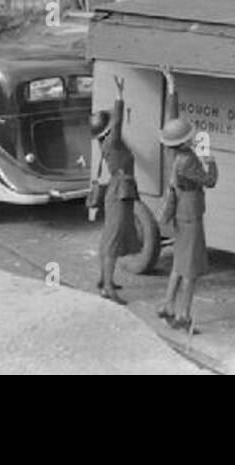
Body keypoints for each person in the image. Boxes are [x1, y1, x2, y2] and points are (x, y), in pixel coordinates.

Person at [155, 66, 218, 331]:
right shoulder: (188, 160)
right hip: (191, 213)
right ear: (185, 142)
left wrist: (171, 87)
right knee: (190, 269)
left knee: (179, 263)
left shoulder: (173, 154)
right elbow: (211, 181)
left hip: (180, 211)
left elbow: (172, 119)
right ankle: (183, 314)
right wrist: (210, 159)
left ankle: (168, 304)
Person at [91, 75, 139, 304]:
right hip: (120, 192)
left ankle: (104, 279)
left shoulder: (106, 143)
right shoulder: (113, 142)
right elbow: (118, 124)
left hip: (118, 190)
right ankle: (108, 288)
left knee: (109, 238)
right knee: (112, 241)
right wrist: (120, 96)